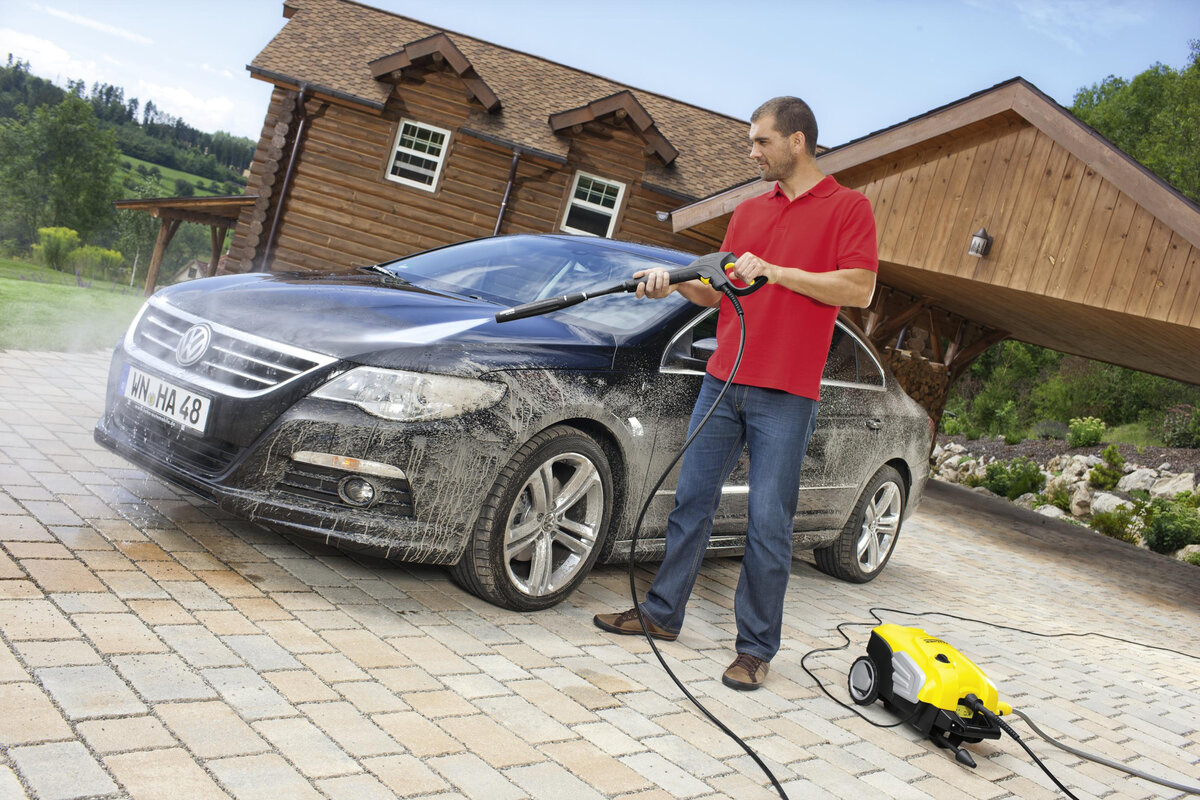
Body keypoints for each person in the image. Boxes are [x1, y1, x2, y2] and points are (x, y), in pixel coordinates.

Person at [593, 96, 879, 690]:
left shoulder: (849, 208)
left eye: (761, 142)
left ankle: (754, 650)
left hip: (788, 393)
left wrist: (778, 272)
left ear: (797, 141)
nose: (753, 153)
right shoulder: (749, 211)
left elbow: (859, 288)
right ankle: (662, 614)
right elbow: (714, 289)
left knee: (767, 523)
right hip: (723, 381)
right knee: (690, 502)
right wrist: (669, 288)